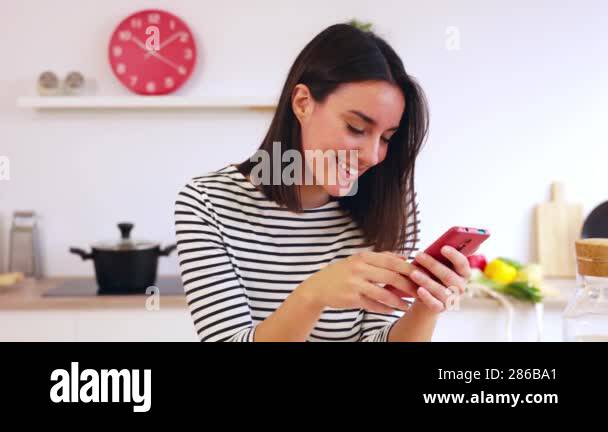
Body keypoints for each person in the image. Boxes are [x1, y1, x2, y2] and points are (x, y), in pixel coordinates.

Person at [174, 23, 471, 342]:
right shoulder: (206, 202)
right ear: (303, 103)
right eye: (356, 128)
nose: (372, 155)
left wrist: (428, 306)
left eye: (386, 138)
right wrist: (313, 296)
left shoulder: (390, 206)